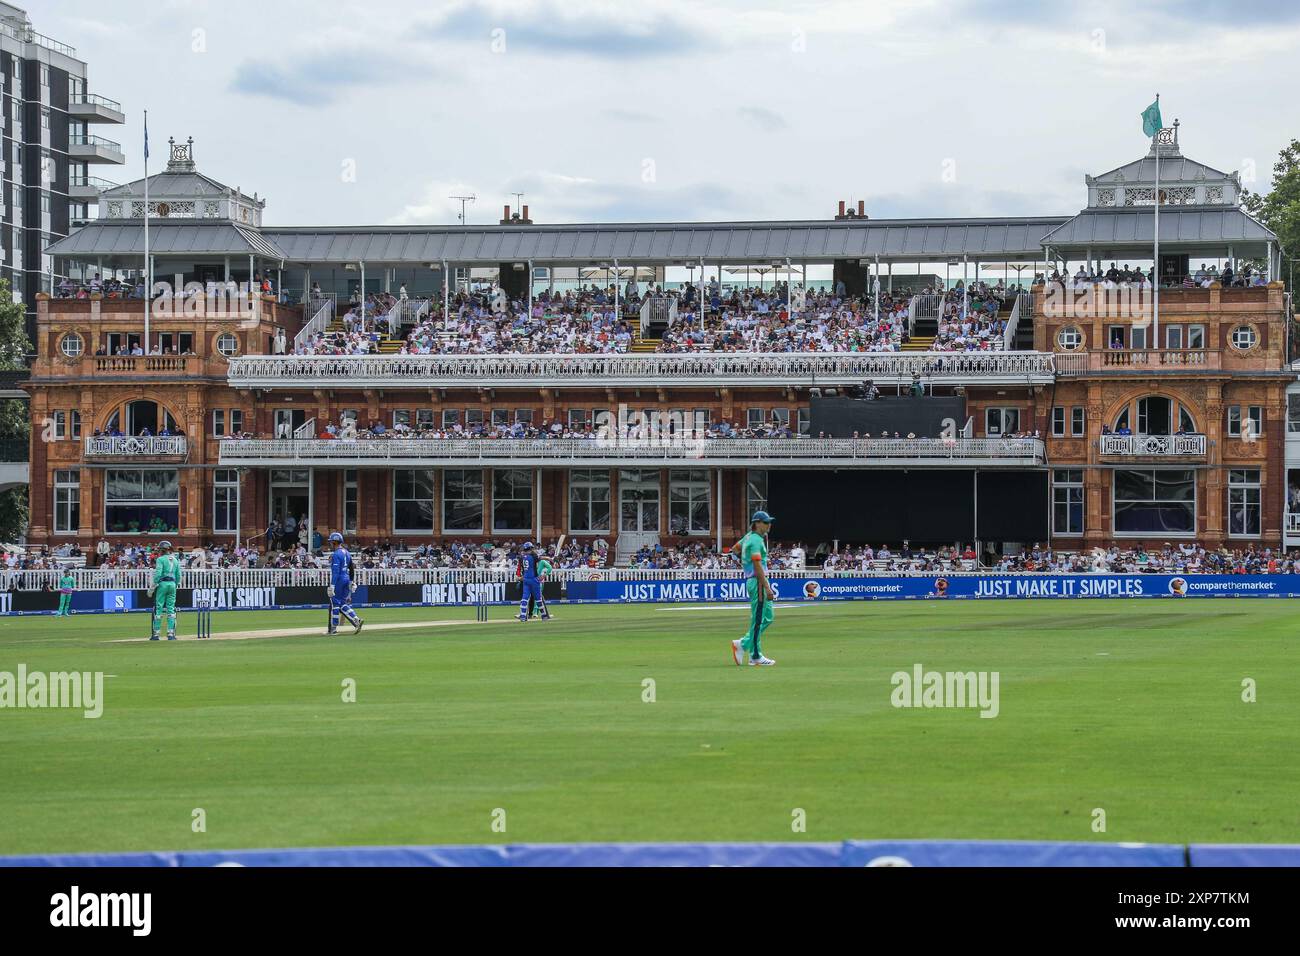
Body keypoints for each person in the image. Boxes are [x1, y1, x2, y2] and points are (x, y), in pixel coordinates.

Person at [730, 510, 777, 666]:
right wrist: (767, 587)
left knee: (768, 617)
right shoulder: (756, 539)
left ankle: (743, 644)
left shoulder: (748, 537)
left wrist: (745, 563)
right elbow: (757, 565)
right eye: (766, 522)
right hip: (758, 581)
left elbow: (735, 549)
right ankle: (755, 656)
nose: (769, 525)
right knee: (758, 619)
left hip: (755, 580)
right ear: (757, 523)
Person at [327, 531, 363, 635]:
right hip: (346, 578)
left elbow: (336, 572)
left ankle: (333, 629)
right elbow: (351, 568)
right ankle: (356, 620)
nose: (330, 544)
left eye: (331, 542)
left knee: (335, 603)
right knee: (343, 603)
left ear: (334, 542)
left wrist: (332, 586)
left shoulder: (336, 554)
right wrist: (351, 582)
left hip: (339, 580)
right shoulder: (347, 552)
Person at [147, 541, 181, 641]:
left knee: (159, 608)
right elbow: (179, 575)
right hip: (173, 584)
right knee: (171, 609)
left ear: (162, 550)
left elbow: (158, 574)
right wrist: (176, 584)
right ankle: (171, 634)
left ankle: (156, 634)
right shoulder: (175, 560)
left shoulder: (160, 559)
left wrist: (152, 588)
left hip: (163, 584)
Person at [516, 541, 550, 622]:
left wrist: (519, 577)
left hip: (525, 580)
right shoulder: (533, 555)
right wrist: (549, 558)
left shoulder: (521, 557)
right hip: (534, 580)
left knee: (524, 599)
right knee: (538, 599)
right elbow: (540, 558)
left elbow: (519, 569)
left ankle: (523, 616)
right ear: (531, 548)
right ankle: (544, 616)